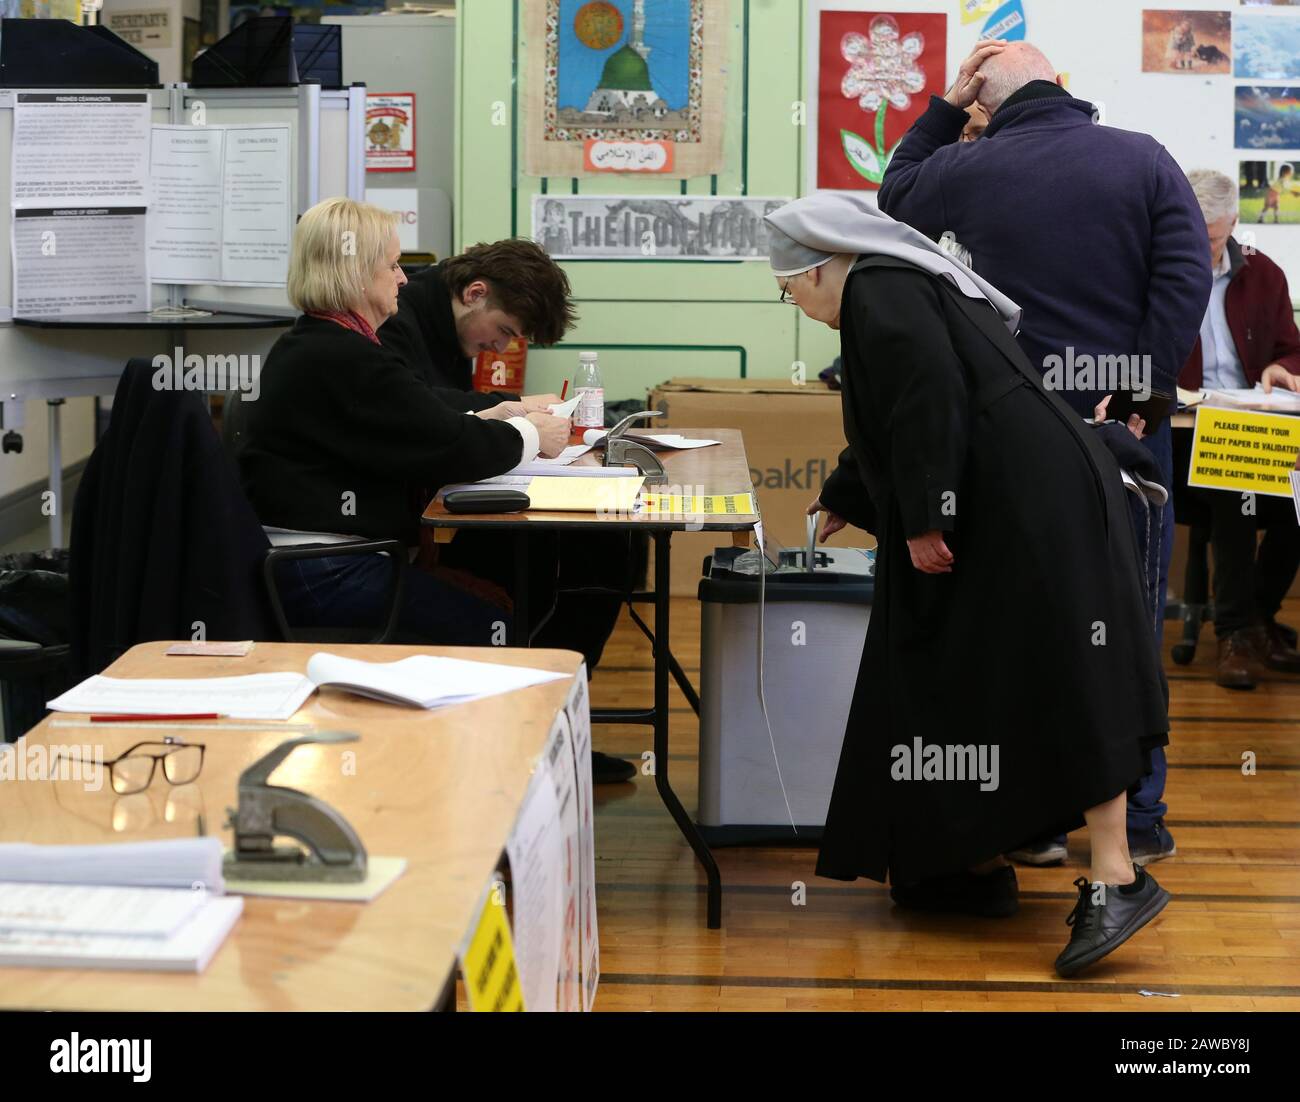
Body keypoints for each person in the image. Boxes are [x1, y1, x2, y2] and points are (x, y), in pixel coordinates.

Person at [775, 192, 1171, 976]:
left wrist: (925, 517)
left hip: (1025, 501)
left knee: (1067, 674)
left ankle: (1118, 877)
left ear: (818, 269)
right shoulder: (903, 281)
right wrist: (848, 496)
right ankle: (967, 862)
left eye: (788, 289)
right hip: (1031, 489)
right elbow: (902, 410)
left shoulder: (878, 289)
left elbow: (929, 396)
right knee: (987, 670)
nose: (793, 303)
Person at [878, 38, 1212, 868]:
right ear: (1062, 86)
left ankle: (1031, 821)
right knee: (1126, 620)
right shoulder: (1143, 158)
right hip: (1120, 434)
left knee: (1023, 619)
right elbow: (1184, 278)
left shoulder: (972, 167)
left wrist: (946, 107)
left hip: (1016, 433)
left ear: (986, 104)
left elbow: (890, 205)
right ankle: (1135, 816)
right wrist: (1139, 391)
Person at [225, 197, 569, 648]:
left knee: (489, 604)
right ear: (356, 272)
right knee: (493, 628)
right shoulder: (346, 357)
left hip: (317, 561)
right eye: (392, 265)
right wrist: (532, 433)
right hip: (327, 570)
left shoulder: (320, 345)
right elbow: (449, 445)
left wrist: (496, 413)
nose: (403, 278)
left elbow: (418, 418)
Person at [367, 236, 645, 783]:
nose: (500, 349)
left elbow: (438, 413)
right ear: (475, 293)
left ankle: (554, 722)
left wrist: (516, 417)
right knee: (542, 555)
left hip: (438, 497)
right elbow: (421, 412)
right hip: (402, 523)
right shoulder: (397, 320)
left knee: (612, 542)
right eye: (506, 332)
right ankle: (529, 730)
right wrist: (516, 414)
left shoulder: (439, 322)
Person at [1177, 169, 1300, 689]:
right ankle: (1233, 633)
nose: (1204, 250)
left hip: (1255, 421)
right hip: (1184, 432)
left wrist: (1282, 370)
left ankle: (1256, 615)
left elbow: (1291, 350)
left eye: (1215, 239)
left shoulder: (1264, 274)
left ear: (1233, 224)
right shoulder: (1160, 270)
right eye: (1195, 236)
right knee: (1236, 483)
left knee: (1295, 492)